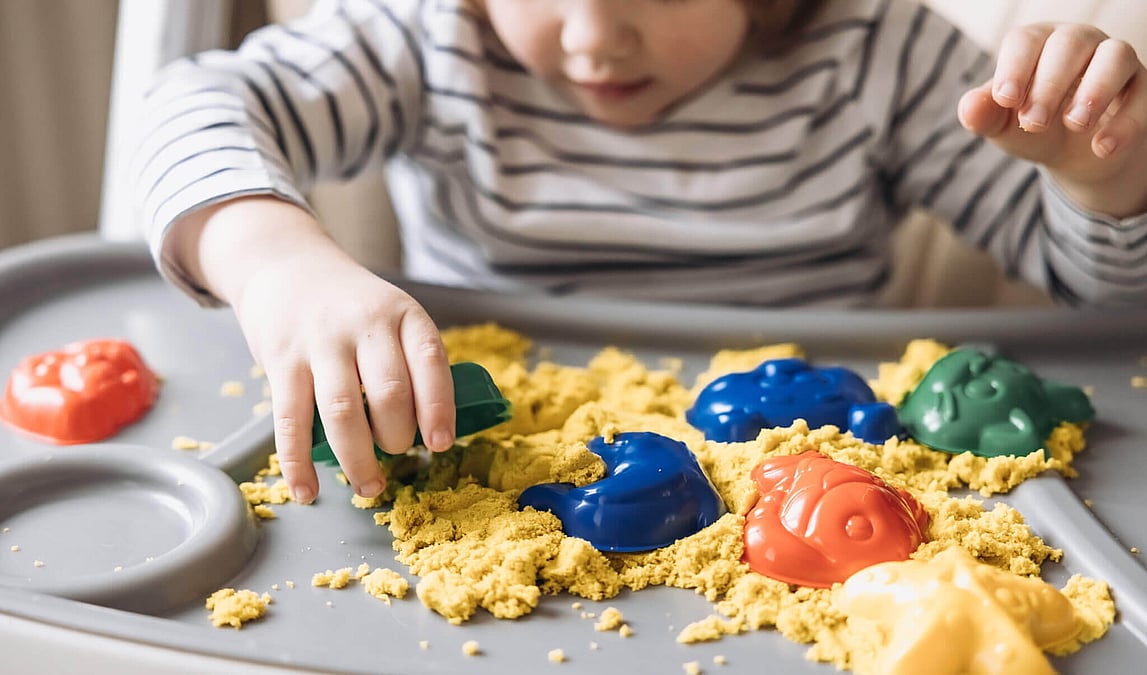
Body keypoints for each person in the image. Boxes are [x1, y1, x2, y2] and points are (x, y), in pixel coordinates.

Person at [131, 0, 1147, 506]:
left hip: (814, 467)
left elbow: (1102, 307)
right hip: (488, 447)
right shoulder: (436, 36)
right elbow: (189, 103)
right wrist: (278, 265)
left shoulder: (873, 51)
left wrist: (1098, 179)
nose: (593, 41)